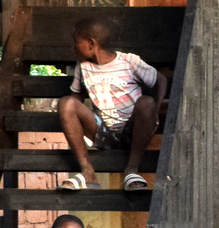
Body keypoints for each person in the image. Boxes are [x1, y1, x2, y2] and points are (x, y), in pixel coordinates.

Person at [56, 17, 160, 192]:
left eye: (76, 43)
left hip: (132, 131)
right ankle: (88, 171)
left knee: (147, 102)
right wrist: (72, 116)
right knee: (66, 103)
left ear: (90, 44)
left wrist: (154, 111)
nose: (73, 48)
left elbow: (160, 80)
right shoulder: (83, 66)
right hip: (102, 131)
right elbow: (76, 96)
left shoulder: (129, 62)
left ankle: (132, 169)